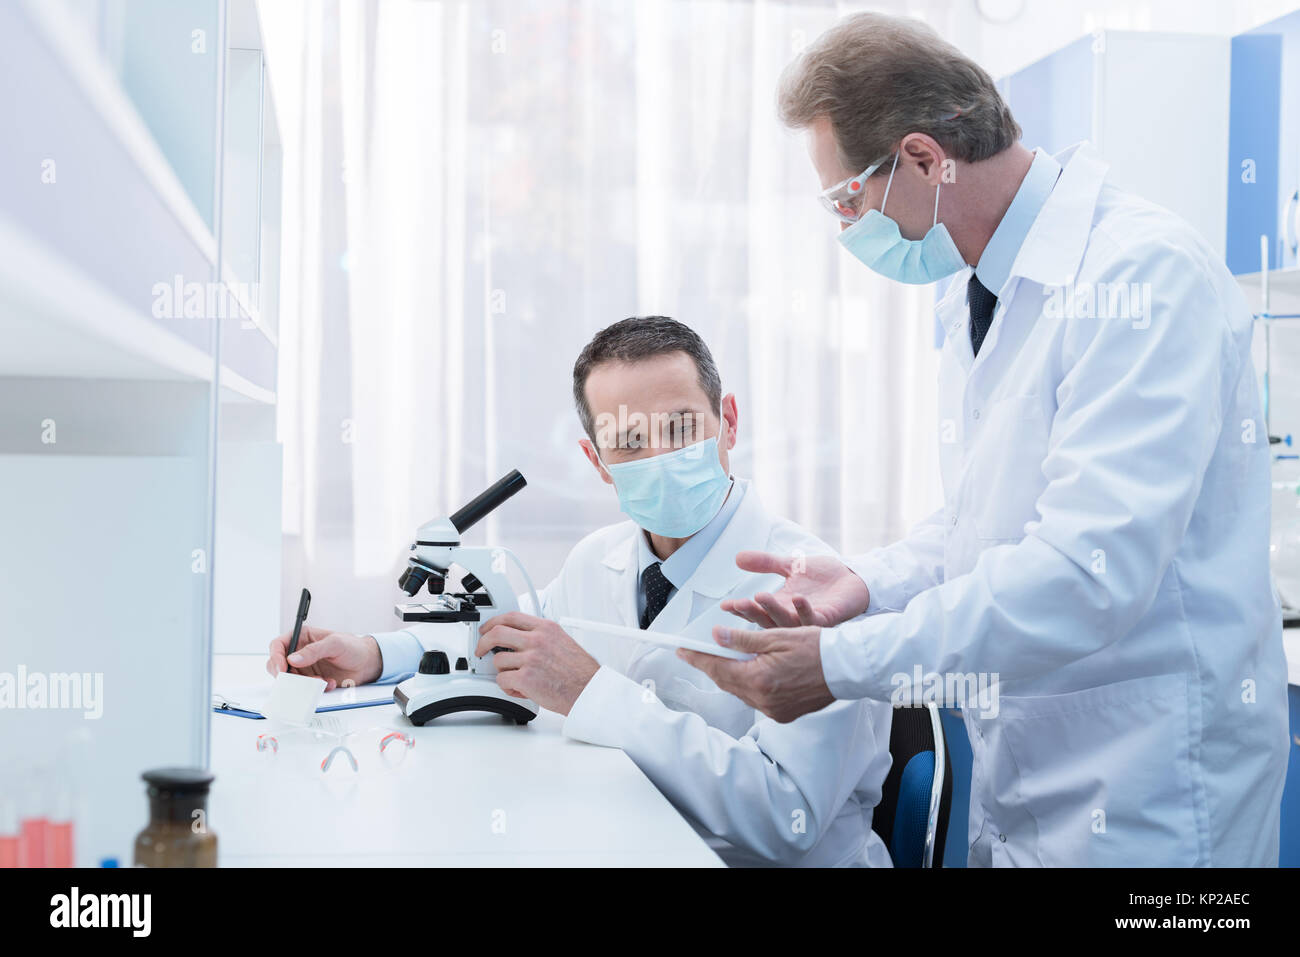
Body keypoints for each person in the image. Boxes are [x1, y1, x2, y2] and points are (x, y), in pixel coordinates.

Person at [681, 12, 1290, 867]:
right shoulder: (986, 293)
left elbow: (1085, 573)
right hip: (1039, 781)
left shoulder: (1140, 276)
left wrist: (841, 661)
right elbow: (984, 528)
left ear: (926, 160)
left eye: (847, 198)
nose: (846, 227)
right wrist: (864, 583)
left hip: (1156, 798)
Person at [268, 316, 893, 867]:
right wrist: (373, 654)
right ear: (596, 460)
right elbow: (502, 632)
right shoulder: (600, 560)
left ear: (727, 422)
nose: (660, 455)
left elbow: (785, 820)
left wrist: (592, 690)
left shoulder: (812, 592)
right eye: (628, 441)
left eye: (681, 427)